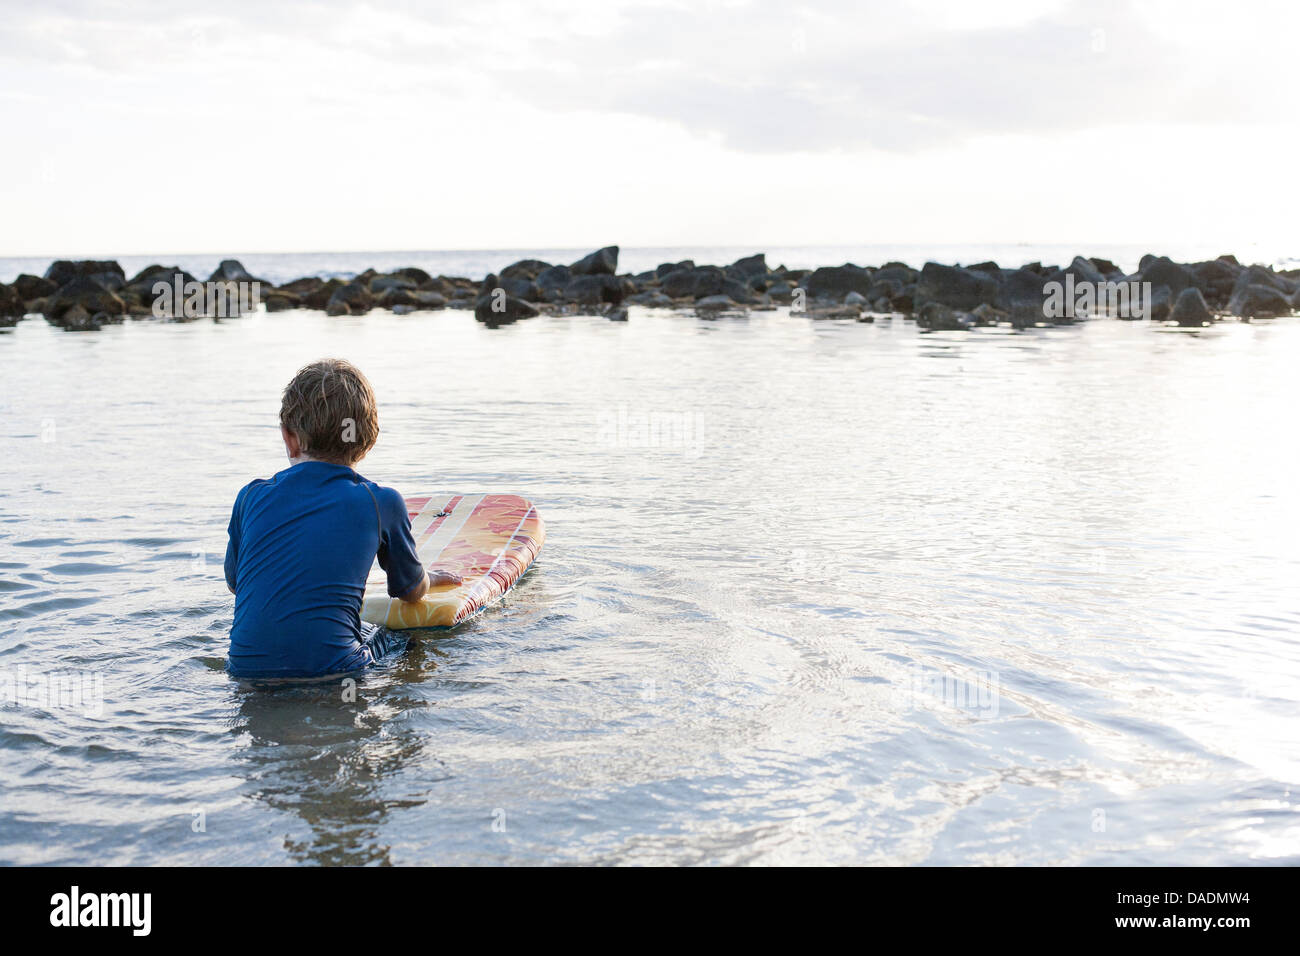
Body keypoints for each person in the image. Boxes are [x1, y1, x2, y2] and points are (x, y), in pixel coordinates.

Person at [223, 358, 460, 678]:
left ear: (289, 437)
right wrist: (430, 578)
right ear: (369, 437)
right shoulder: (382, 503)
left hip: (245, 673)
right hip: (335, 672)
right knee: (404, 637)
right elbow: (410, 591)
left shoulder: (250, 497)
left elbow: (237, 584)